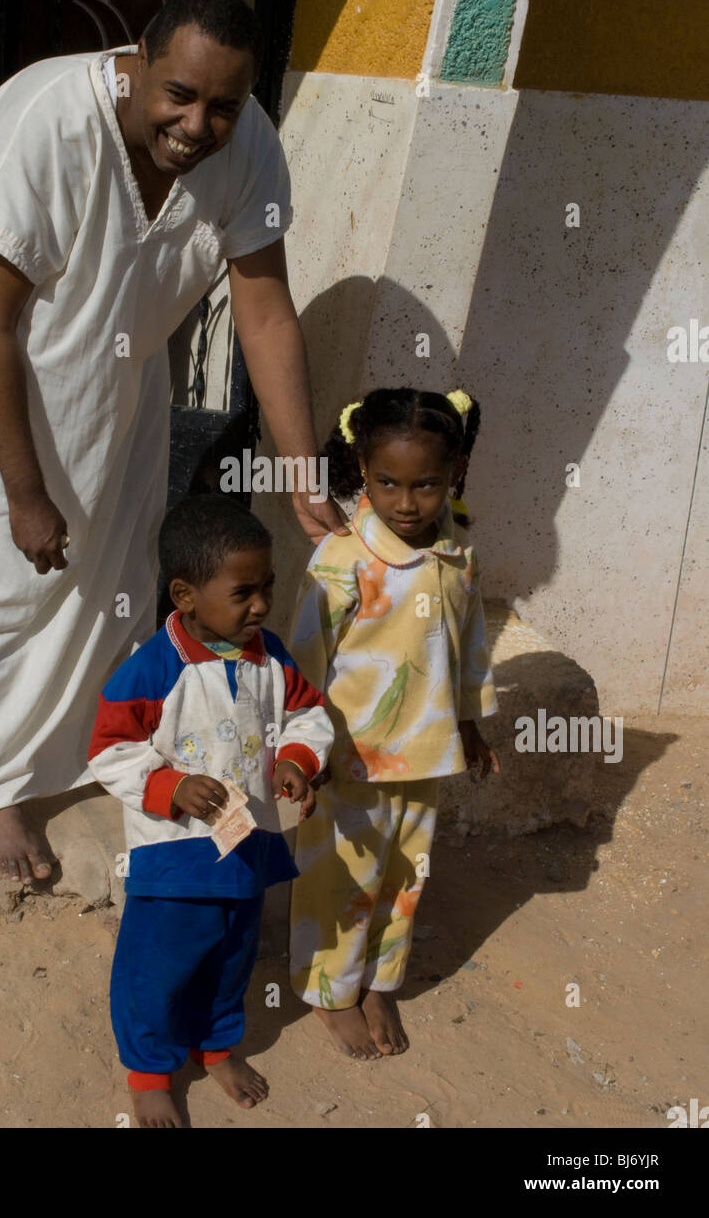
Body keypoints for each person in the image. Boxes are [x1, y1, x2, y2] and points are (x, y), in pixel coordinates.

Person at [0, 0, 346, 887]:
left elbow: (262, 307)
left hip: (123, 385)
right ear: (137, 62)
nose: (197, 123)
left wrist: (301, 472)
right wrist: (23, 492)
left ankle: (97, 744)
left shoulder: (246, 143)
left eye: (223, 105)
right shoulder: (53, 123)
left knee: (106, 574)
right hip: (8, 381)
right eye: (178, 94)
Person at [86, 494, 333, 1128]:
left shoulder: (270, 656)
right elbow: (109, 750)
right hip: (174, 856)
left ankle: (216, 1045)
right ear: (185, 595)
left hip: (248, 845)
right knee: (160, 964)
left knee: (231, 955)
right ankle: (149, 1071)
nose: (260, 605)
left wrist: (298, 760)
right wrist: (168, 785)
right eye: (243, 592)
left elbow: (307, 713)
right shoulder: (151, 669)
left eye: (267, 587)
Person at [287, 388, 501, 1060]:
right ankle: (330, 991)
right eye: (388, 483)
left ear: (455, 473)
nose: (407, 503)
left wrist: (469, 725)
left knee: (405, 875)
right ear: (362, 469)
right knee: (341, 878)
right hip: (349, 760)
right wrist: (299, 751)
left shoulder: (457, 555)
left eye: (427, 485)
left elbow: (467, 647)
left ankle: (378, 979)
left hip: (426, 757)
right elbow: (303, 665)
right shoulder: (340, 561)